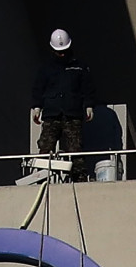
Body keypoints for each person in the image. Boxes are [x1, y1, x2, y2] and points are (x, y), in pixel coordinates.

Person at [31, 29, 97, 182]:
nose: (61, 54)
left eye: (63, 51)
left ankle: (78, 178)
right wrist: (36, 107)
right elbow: (38, 88)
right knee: (46, 146)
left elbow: (88, 88)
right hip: (52, 113)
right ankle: (41, 176)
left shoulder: (80, 67)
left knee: (75, 148)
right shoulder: (46, 69)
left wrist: (89, 105)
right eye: (58, 52)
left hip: (72, 113)